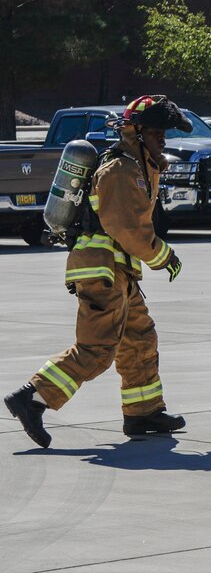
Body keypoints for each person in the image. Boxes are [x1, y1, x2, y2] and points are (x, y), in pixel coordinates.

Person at [4, 95, 190, 448]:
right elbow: (128, 229)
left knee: (139, 339)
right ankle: (32, 398)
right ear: (135, 133)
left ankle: (143, 413)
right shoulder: (120, 171)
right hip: (101, 271)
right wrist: (163, 256)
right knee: (97, 349)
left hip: (119, 271)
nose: (163, 141)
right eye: (157, 134)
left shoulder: (135, 166)